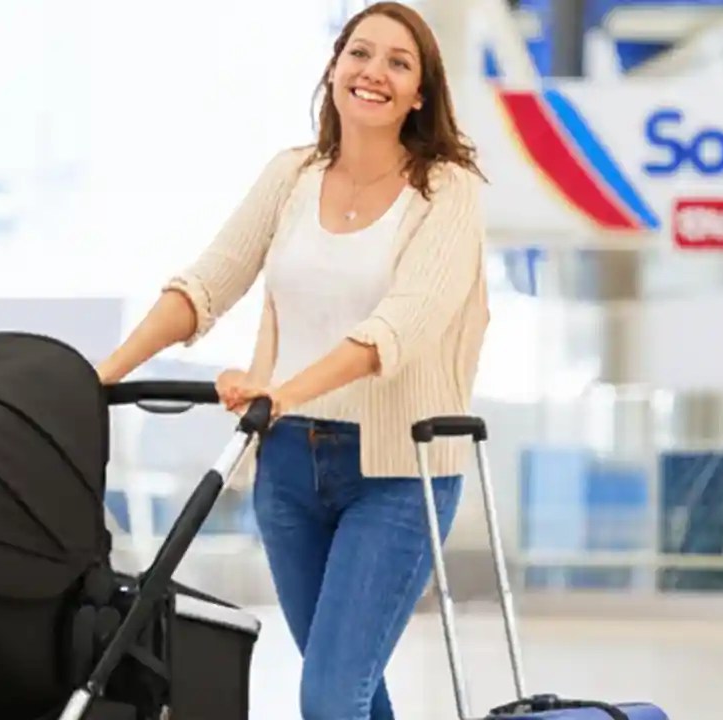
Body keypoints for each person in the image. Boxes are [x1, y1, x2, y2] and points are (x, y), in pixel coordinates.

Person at [95, 2, 489, 717]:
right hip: (286, 469)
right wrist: (103, 373)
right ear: (334, 67)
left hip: (396, 476)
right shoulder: (292, 176)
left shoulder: (448, 193)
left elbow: (398, 328)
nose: (374, 72)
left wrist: (278, 390)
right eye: (359, 53)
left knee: (331, 695)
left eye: (398, 62)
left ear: (420, 93)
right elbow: (210, 282)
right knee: (353, 692)